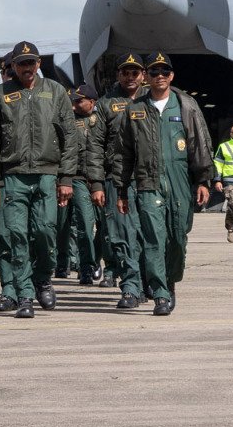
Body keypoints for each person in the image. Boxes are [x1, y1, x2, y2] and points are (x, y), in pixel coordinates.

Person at [0, 41, 81, 319]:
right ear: (13, 66)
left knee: (45, 232)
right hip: (13, 177)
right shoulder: (0, 95)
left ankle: (43, 277)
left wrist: (66, 177)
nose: (27, 68)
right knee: (16, 236)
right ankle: (25, 296)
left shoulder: (55, 92)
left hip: (47, 176)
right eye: (22, 64)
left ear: (39, 64)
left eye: (31, 63)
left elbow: (70, 138)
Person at [111, 51, 212, 316]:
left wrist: (203, 180)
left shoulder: (186, 105)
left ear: (171, 76)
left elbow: (199, 144)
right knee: (154, 239)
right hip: (147, 182)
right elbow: (123, 153)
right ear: (147, 76)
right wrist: (122, 189)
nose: (159, 77)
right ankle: (160, 294)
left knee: (178, 238)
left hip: (179, 180)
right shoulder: (135, 111)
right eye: (153, 72)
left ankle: (170, 280)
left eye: (163, 72)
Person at [92, 52, 148, 309]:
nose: (130, 76)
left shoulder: (154, 101)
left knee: (151, 235)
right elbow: (94, 145)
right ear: (118, 75)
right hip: (117, 180)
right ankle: (130, 287)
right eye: (125, 72)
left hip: (149, 179)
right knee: (121, 234)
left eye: (134, 72)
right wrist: (96, 183)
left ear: (142, 75)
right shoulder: (105, 104)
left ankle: (152, 284)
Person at [60, 81, 104, 286]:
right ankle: (85, 268)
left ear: (92, 102)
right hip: (79, 179)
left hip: (102, 180)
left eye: (79, 101)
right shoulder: (69, 122)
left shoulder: (103, 119)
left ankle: (97, 261)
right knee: (85, 225)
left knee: (106, 227)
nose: (75, 105)